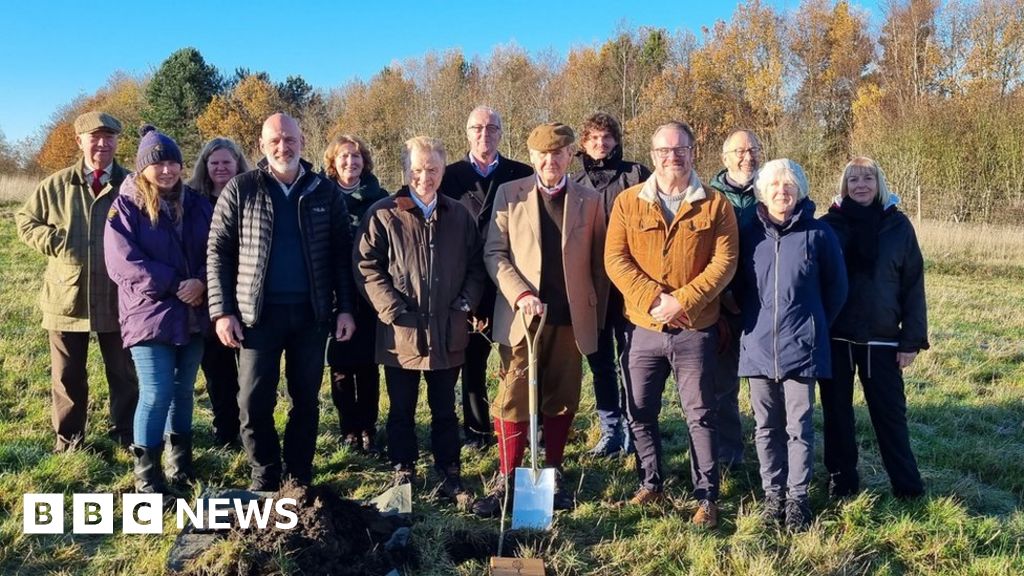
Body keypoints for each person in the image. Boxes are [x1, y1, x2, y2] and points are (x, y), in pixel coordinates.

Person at [207, 113, 357, 490]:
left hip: (311, 315)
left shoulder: (324, 191)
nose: (282, 146)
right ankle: (265, 471)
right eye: (274, 140)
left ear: (302, 141)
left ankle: (299, 473)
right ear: (262, 145)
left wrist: (346, 308)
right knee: (253, 402)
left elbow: (343, 255)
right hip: (257, 316)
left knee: (305, 400)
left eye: (289, 139)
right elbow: (218, 252)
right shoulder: (241, 189)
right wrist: (223, 311)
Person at [604, 121, 738, 528]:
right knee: (640, 411)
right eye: (663, 150)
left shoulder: (716, 204)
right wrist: (653, 299)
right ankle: (651, 482)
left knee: (700, 413)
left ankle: (706, 495)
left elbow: (724, 262)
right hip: (642, 327)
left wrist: (683, 299)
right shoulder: (628, 202)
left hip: (695, 328)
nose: (672, 156)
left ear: (693, 152)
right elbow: (616, 259)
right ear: (653, 154)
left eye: (680, 149)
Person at [473, 122, 608, 517]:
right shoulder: (509, 195)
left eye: (558, 153)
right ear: (532, 157)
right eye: (543, 155)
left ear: (570, 156)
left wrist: (594, 314)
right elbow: (494, 254)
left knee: (561, 399)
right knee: (513, 398)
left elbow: (600, 263)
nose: (551, 161)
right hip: (521, 318)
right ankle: (507, 475)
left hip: (570, 318)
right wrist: (522, 294)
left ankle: (552, 471)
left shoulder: (590, 199)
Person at [355, 136, 485, 500]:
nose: (424, 177)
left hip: (448, 330)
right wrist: (392, 309)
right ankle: (403, 469)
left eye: (432, 169)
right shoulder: (383, 213)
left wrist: (465, 303)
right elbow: (366, 266)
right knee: (401, 408)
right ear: (405, 171)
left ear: (443, 170)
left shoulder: (459, 214)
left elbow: (477, 266)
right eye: (416, 170)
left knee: (445, 409)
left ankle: (449, 471)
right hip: (402, 332)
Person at [15, 111, 139, 452]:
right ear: (79, 141)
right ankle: (69, 440)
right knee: (67, 376)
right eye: (94, 137)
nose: (102, 144)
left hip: (119, 297)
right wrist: (54, 242)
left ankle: (127, 434)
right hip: (66, 297)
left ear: (117, 142)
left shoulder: (130, 184)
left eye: (109, 137)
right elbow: (26, 221)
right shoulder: (56, 185)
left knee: (124, 373)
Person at [736, 158, 847, 531]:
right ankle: (773, 496)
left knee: (799, 426)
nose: (782, 192)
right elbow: (735, 289)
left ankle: (798, 499)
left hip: (804, 347)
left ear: (800, 191)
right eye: (774, 187)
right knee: (766, 427)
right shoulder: (747, 235)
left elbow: (837, 290)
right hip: (757, 348)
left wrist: (812, 325)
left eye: (789, 187)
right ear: (762, 193)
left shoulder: (819, 235)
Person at [104, 126, 213, 492]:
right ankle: (147, 480)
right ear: (142, 168)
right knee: (156, 391)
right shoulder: (125, 207)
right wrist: (174, 283)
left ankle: (180, 465)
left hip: (195, 312)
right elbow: (123, 263)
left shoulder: (199, 204)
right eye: (158, 164)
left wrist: (200, 282)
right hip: (148, 313)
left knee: (183, 391)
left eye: (173, 163)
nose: (167, 170)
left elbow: (218, 251)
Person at [818, 157, 927, 500]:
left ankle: (907, 486)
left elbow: (913, 284)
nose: (861, 185)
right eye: (853, 179)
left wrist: (911, 339)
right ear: (844, 185)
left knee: (890, 415)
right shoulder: (827, 226)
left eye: (868, 178)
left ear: (880, 183)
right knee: (836, 415)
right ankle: (842, 480)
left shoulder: (898, 227)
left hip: (881, 338)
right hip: (836, 337)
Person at [439, 105, 534, 450]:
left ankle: (519, 425)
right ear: (466, 133)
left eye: (492, 128)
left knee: (518, 358)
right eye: (477, 128)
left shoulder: (522, 174)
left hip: (515, 279)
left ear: (501, 132)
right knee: (472, 359)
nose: (484, 134)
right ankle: (476, 430)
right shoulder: (448, 176)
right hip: (466, 281)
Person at [572, 111, 651, 457]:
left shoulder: (637, 175)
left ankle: (639, 428)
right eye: (593, 138)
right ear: (584, 143)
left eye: (606, 137)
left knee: (633, 359)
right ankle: (610, 428)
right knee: (600, 360)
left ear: (616, 140)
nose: (600, 144)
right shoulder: (575, 184)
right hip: (593, 286)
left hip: (632, 283)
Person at [322, 134, 388, 453]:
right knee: (341, 365)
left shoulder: (380, 197)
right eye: (344, 156)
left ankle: (368, 426)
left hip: (370, 292)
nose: (351, 162)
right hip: (332, 291)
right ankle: (348, 426)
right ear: (333, 162)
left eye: (357, 156)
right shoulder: (319, 195)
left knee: (367, 364)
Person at [187, 137, 251, 447]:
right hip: (210, 296)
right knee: (217, 370)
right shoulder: (193, 201)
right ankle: (225, 430)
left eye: (227, 162)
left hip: (250, 295)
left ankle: (250, 427)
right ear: (205, 167)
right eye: (215, 163)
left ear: (238, 164)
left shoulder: (252, 195)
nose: (221, 168)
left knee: (250, 372)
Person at [707, 129, 763, 469]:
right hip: (721, 307)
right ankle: (729, 454)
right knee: (721, 385)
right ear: (725, 158)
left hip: (765, 307)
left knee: (767, 387)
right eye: (739, 151)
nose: (747, 156)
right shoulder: (707, 197)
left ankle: (771, 450)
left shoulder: (774, 189)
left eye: (753, 149)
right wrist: (722, 294)